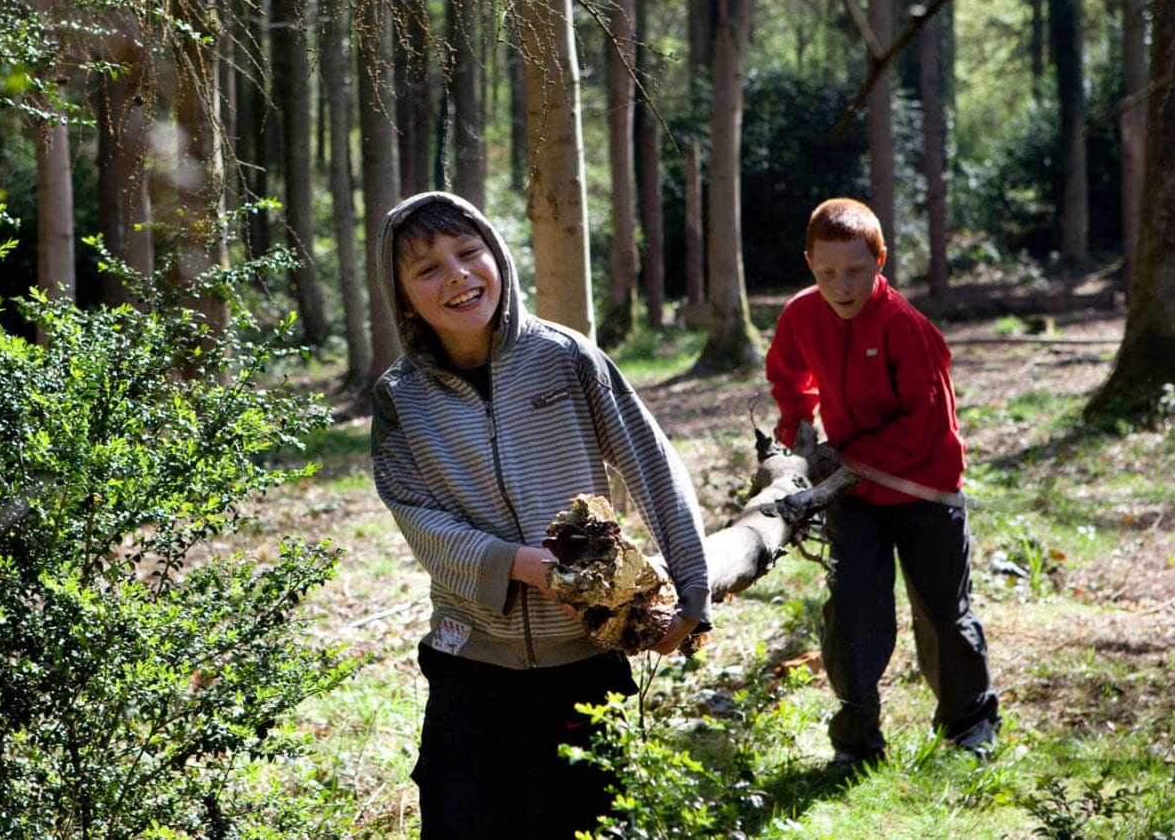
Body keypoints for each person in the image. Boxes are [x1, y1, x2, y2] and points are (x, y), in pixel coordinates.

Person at [370, 191, 711, 839]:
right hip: (470, 665)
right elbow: (417, 519)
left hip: (583, 657)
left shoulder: (564, 356)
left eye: (468, 253)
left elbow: (651, 464)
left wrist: (692, 590)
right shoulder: (400, 398)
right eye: (428, 268)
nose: (457, 276)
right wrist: (522, 565)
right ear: (403, 297)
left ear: (498, 256)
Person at [765, 197, 999, 769]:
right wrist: (799, 430)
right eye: (826, 273)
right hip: (855, 495)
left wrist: (846, 455)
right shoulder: (802, 314)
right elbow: (789, 376)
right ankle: (856, 742)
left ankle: (971, 726)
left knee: (943, 614)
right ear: (809, 263)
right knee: (852, 612)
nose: (841, 286)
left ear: (880, 260)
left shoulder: (907, 329)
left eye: (855, 270)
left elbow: (926, 427)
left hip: (925, 492)